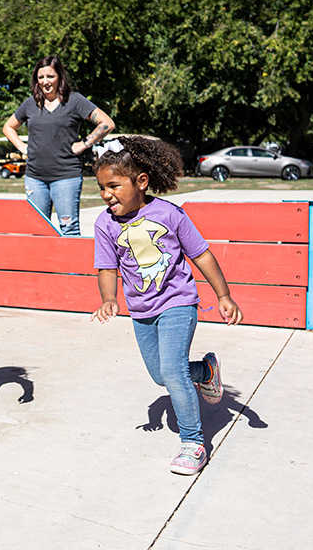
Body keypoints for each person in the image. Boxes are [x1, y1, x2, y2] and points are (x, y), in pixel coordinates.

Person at [89, 136, 244, 475]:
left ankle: (193, 443)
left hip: (178, 303)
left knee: (172, 372)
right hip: (142, 311)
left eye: (114, 185)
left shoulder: (170, 214)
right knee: (161, 376)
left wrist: (223, 295)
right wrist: (109, 299)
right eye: (101, 187)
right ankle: (205, 371)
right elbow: (106, 267)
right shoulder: (105, 224)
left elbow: (201, 254)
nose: (106, 194)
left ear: (141, 182)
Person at [3, 55, 114, 236]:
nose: (45, 82)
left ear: (60, 77)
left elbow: (106, 123)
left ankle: (72, 265)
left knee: (69, 230)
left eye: (50, 76)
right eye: (41, 77)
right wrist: (23, 148)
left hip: (66, 176)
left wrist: (85, 143)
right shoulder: (31, 103)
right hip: (35, 178)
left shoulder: (75, 101)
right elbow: (8, 127)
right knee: (38, 230)